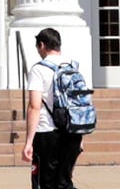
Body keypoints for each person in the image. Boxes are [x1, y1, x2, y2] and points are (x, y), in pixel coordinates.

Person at [21, 27, 88, 189]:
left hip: (47, 132)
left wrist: (28, 142)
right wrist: (81, 136)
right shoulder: (73, 68)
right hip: (72, 132)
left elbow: (34, 106)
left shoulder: (38, 70)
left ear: (42, 45)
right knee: (64, 182)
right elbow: (81, 104)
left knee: (45, 182)